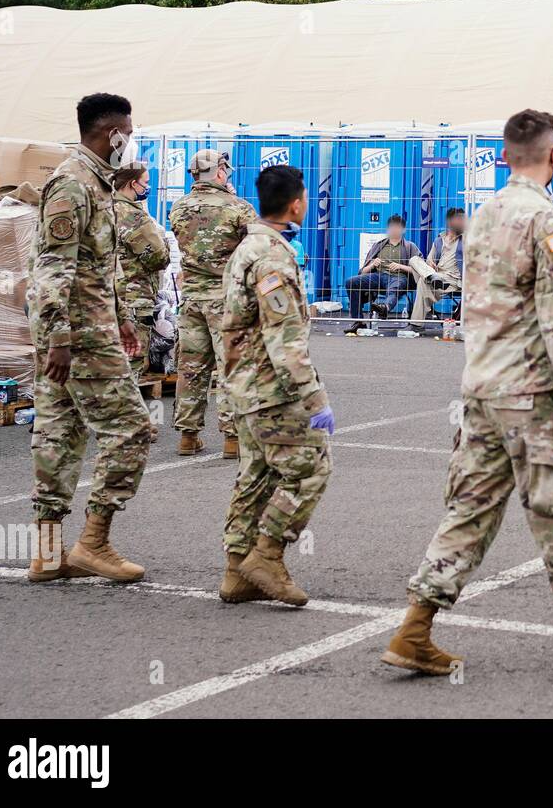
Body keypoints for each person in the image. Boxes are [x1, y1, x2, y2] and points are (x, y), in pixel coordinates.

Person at [381, 108, 553, 676]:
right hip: (532, 392)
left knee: (470, 510)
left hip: (481, 386)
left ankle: (416, 627)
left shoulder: (482, 217)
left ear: (504, 157)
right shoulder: (550, 223)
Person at [26, 93, 152, 584]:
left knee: (60, 432)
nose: (131, 142)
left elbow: (93, 264)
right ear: (112, 134)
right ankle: (93, 543)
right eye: (129, 133)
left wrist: (119, 316)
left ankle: (47, 553)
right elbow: (54, 266)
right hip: (78, 333)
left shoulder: (97, 184)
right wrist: (60, 336)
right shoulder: (73, 184)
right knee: (132, 428)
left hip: (84, 326)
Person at [217, 165, 334, 606]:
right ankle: (266, 555)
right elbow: (283, 339)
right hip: (271, 388)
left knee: (256, 475)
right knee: (311, 469)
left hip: (242, 385)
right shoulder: (272, 257)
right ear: (297, 203)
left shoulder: (249, 246)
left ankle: (236, 571)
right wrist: (313, 396)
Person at [168, 148, 254, 459]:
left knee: (191, 367)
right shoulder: (238, 208)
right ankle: (233, 438)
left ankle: (188, 436)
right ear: (219, 172)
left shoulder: (178, 208)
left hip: (192, 297)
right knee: (231, 366)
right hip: (226, 298)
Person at [112, 161, 170, 440]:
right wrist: (164, 242)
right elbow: (158, 256)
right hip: (133, 298)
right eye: (144, 182)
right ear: (131, 183)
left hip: (105, 297)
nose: (147, 187)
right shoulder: (133, 216)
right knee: (132, 360)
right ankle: (130, 425)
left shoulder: (100, 209)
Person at [345, 214, 420, 332]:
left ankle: (385, 307)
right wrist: (372, 264)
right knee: (351, 282)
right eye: (392, 227)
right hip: (378, 276)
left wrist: (401, 267)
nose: (394, 229)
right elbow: (363, 271)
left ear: (403, 229)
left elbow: (419, 269)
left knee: (394, 287)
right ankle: (358, 321)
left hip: (399, 277)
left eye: (397, 227)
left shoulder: (410, 247)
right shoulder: (379, 245)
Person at [408, 207, 465, 328]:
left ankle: (416, 325)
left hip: (453, 279)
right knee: (414, 260)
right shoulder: (439, 240)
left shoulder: (465, 240)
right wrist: (430, 263)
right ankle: (431, 277)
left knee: (423, 283)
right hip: (436, 275)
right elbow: (430, 259)